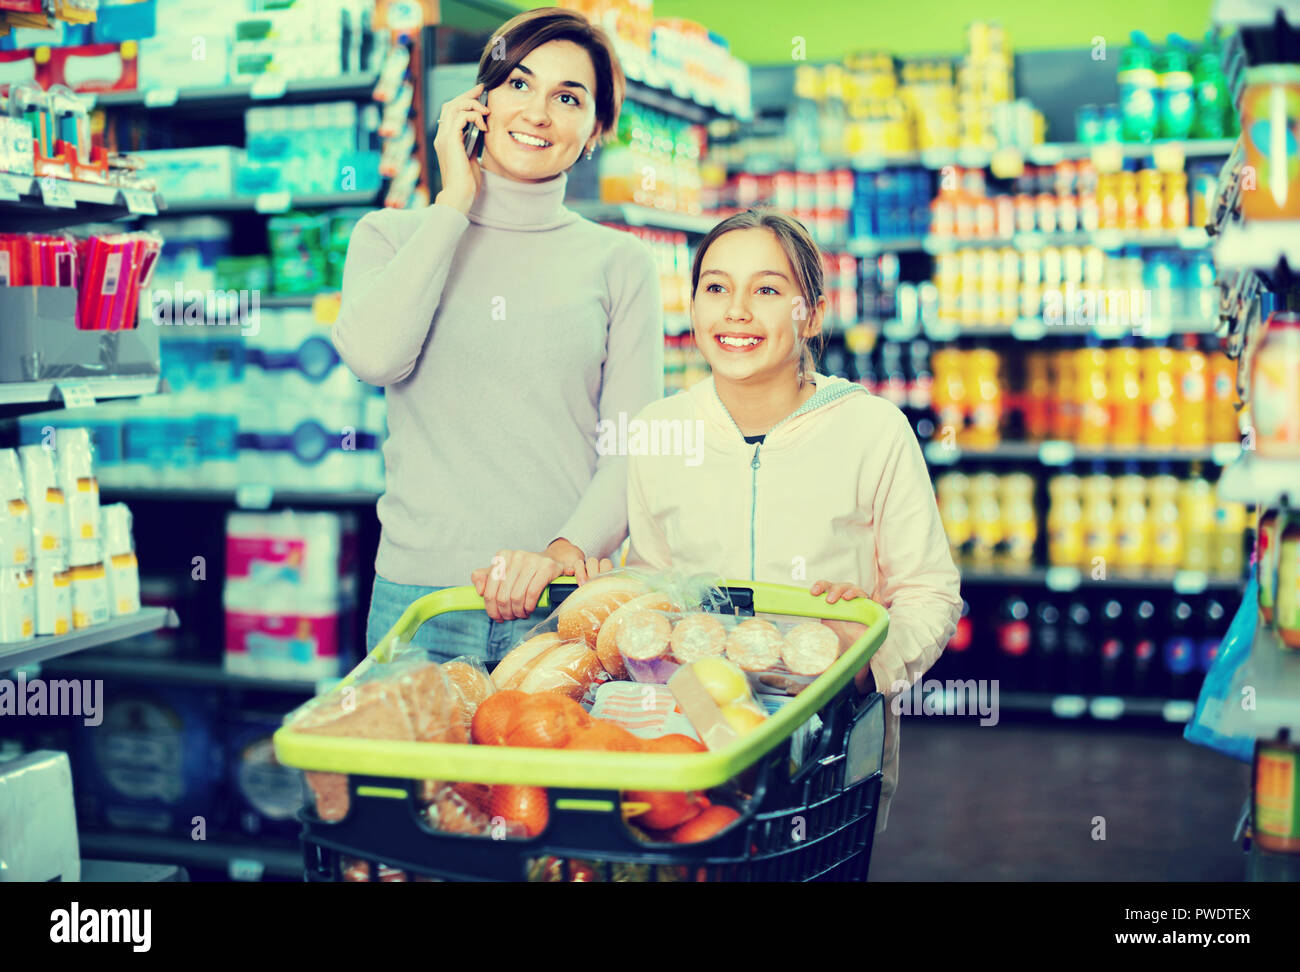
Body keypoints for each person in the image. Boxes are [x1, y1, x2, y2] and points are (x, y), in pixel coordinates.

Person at [333, 8, 662, 663]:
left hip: (558, 601)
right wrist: (454, 200)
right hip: (418, 601)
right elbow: (374, 357)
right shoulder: (391, 237)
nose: (537, 113)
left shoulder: (621, 264)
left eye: (567, 98)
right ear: (479, 101)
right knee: (412, 772)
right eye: (519, 84)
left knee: (543, 769)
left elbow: (631, 443)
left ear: (595, 130)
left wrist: (562, 553)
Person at [621, 209, 962, 832]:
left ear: (813, 314)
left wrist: (860, 667)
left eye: (768, 290)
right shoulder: (658, 431)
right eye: (716, 287)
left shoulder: (872, 430)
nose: (737, 312)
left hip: (831, 747)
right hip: (690, 743)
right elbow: (651, 586)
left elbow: (929, 592)